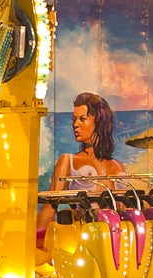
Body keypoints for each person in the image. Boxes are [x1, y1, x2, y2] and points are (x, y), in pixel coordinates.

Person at [37, 92, 128, 245]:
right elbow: (50, 206)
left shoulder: (117, 166)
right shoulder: (68, 161)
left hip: (116, 239)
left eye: (82, 119)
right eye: (74, 119)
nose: (75, 125)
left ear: (98, 121)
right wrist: (38, 243)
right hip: (82, 239)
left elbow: (125, 209)